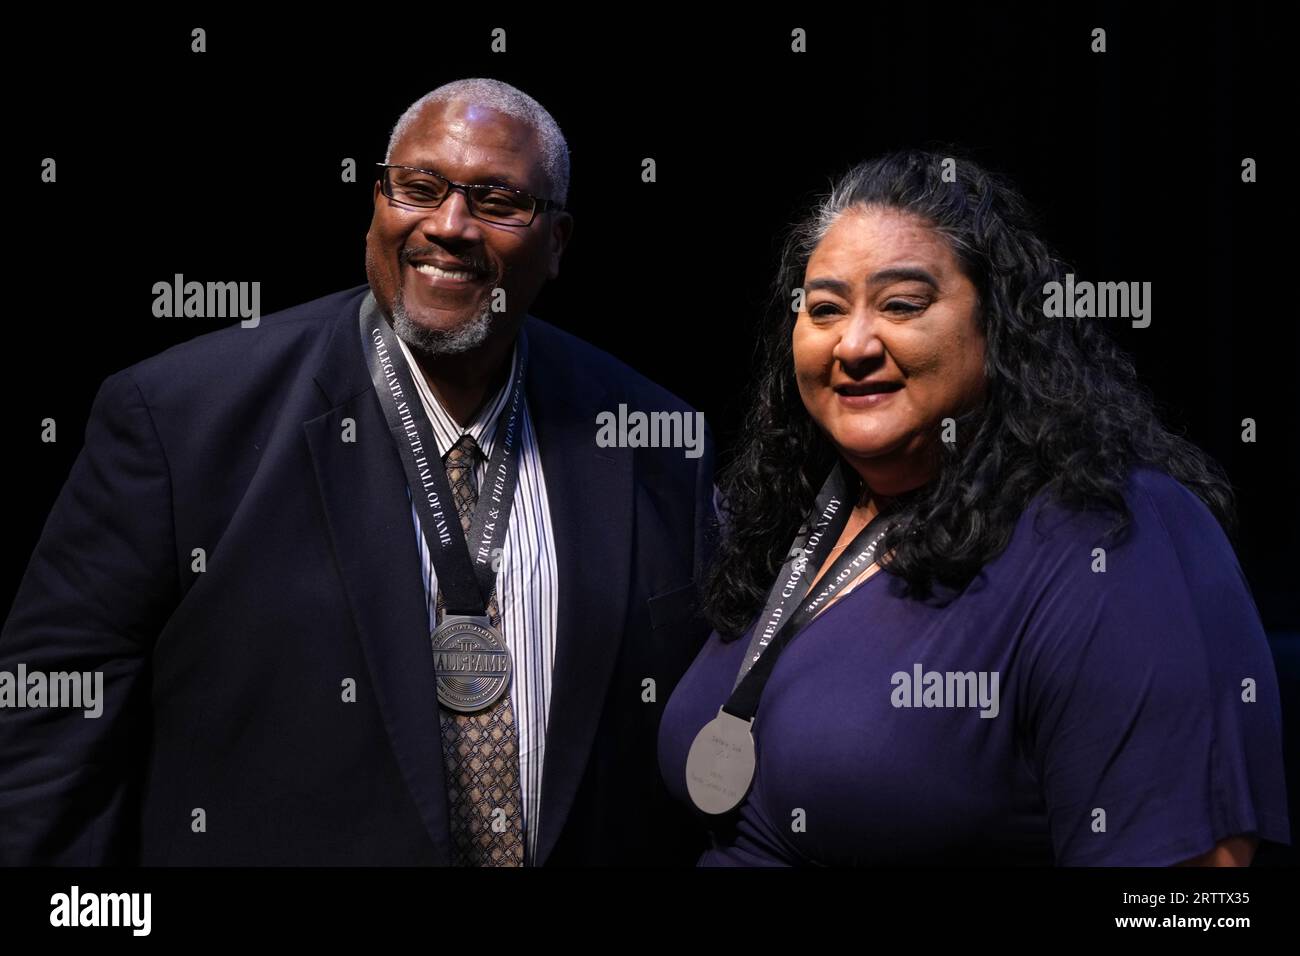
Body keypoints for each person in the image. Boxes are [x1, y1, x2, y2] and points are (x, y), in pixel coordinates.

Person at [0, 78, 715, 866]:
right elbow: (50, 733)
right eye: (419, 187)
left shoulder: (654, 438)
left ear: (557, 242)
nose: (449, 226)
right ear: (377, 201)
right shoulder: (178, 419)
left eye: (498, 200)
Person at [657, 149, 1290, 866]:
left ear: (1001, 328)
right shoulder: (785, 521)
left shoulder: (1119, 535)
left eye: (902, 305)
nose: (854, 343)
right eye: (825, 310)